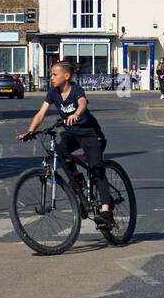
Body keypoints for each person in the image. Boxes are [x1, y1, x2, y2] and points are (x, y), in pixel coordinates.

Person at [18, 60, 114, 228]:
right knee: (60, 150)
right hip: (72, 134)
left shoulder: (76, 89)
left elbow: (83, 103)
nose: (51, 78)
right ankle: (77, 177)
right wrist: (30, 131)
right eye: (51, 74)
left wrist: (76, 113)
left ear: (67, 76)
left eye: (55, 74)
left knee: (96, 170)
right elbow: (41, 114)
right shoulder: (53, 92)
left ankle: (106, 211)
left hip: (90, 134)